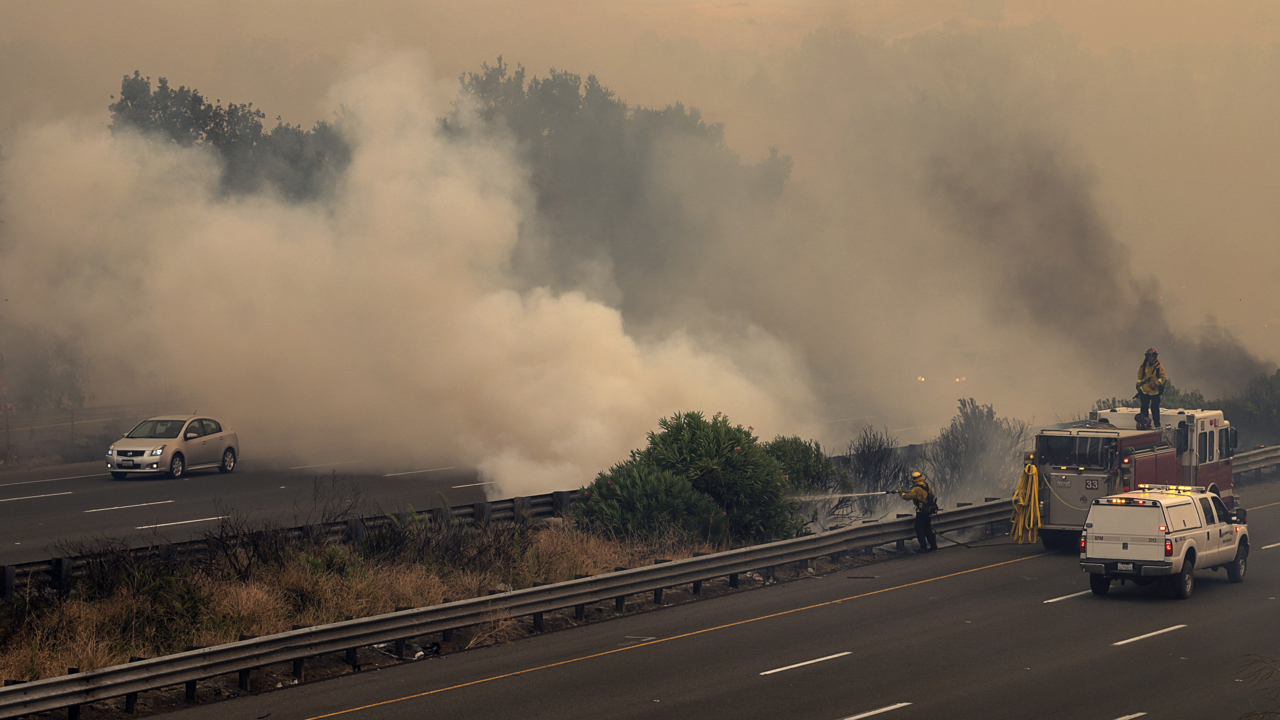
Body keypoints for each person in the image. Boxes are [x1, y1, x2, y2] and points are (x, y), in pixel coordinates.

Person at [899, 471, 938, 552]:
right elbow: (932, 495)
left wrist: (901, 493)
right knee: (928, 529)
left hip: (921, 512)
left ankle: (923, 547)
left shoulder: (916, 489)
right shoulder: (927, 486)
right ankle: (933, 545)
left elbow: (908, 497)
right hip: (929, 511)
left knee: (919, 529)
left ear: (914, 479)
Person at [1136, 347, 1167, 428]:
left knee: (1155, 408)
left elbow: (1163, 377)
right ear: (1147, 356)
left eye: (1152, 355)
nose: (1151, 357)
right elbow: (1139, 376)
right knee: (1144, 407)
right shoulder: (1143, 365)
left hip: (1154, 391)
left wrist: (1156, 384)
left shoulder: (1158, 366)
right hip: (1145, 390)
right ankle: (1145, 423)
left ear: (1155, 356)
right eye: (1149, 356)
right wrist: (1138, 384)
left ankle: (1157, 424)